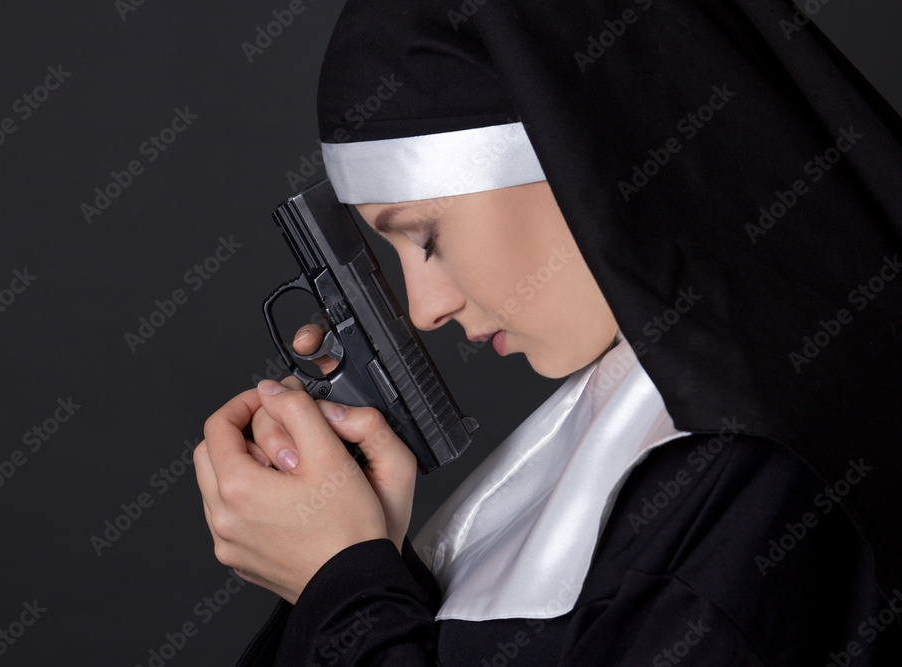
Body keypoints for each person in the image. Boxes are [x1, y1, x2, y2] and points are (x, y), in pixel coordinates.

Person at [193, 1, 902, 664]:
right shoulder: (689, 437)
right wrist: (364, 549)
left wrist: (340, 582)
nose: (424, 309)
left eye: (427, 237)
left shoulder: (759, 486)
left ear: (579, 155)